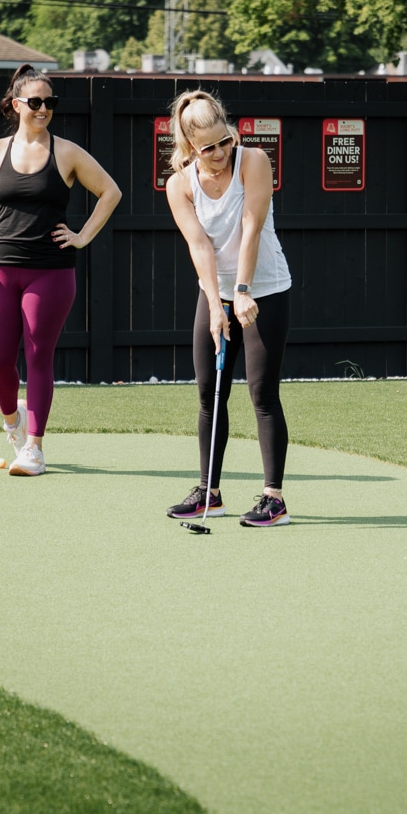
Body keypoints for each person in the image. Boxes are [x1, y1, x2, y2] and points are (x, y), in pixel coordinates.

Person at [0, 64, 121, 476]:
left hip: (50, 273)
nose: (44, 108)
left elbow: (110, 192)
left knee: (39, 356)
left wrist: (82, 236)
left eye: (50, 102)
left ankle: (34, 448)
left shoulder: (66, 152)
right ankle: (13, 423)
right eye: (35, 102)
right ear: (17, 105)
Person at [163, 89, 293, 527]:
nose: (219, 153)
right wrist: (216, 303)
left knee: (262, 394)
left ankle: (273, 499)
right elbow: (199, 246)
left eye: (224, 142)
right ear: (188, 149)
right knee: (208, 393)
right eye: (208, 148)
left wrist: (241, 290)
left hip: (265, 289)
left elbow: (251, 225)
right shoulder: (179, 185)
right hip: (215, 292)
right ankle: (210, 493)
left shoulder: (253, 161)